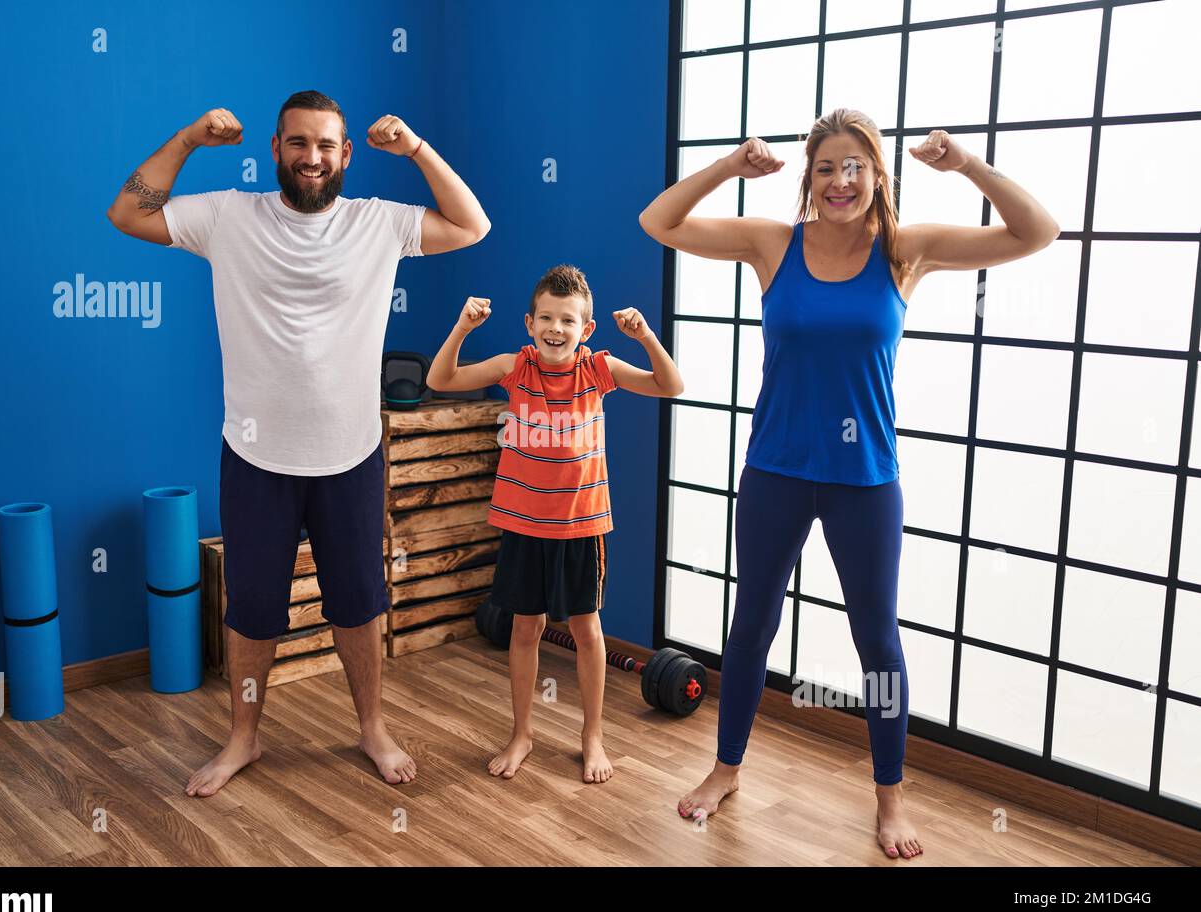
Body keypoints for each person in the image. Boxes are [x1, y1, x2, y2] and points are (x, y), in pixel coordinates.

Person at [639, 107, 1060, 859]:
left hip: (864, 479)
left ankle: (890, 797)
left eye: (856, 167)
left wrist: (967, 165)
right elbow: (659, 220)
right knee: (752, 626)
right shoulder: (773, 244)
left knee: (878, 644)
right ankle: (726, 768)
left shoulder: (903, 251)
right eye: (827, 168)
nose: (841, 181)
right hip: (775, 469)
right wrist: (729, 167)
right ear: (810, 179)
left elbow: (1037, 231)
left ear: (876, 177)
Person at [106, 91, 491, 797]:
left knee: (359, 602)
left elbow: (473, 224)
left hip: (351, 455)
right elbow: (128, 210)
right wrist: (189, 136)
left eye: (324, 145)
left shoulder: (379, 224)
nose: (311, 158)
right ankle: (243, 739)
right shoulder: (228, 215)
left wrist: (414, 149)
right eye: (297, 143)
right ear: (276, 151)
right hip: (255, 458)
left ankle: (371, 727)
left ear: (346, 155)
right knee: (253, 611)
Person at [425, 266, 683, 783]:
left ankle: (592, 736)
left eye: (568, 320)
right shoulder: (514, 368)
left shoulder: (599, 369)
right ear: (529, 322)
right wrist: (462, 328)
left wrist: (645, 336)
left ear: (586, 330)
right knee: (526, 628)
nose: (556, 328)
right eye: (546, 317)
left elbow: (670, 385)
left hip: (581, 527)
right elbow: (440, 380)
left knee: (587, 631)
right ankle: (522, 733)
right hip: (523, 525)